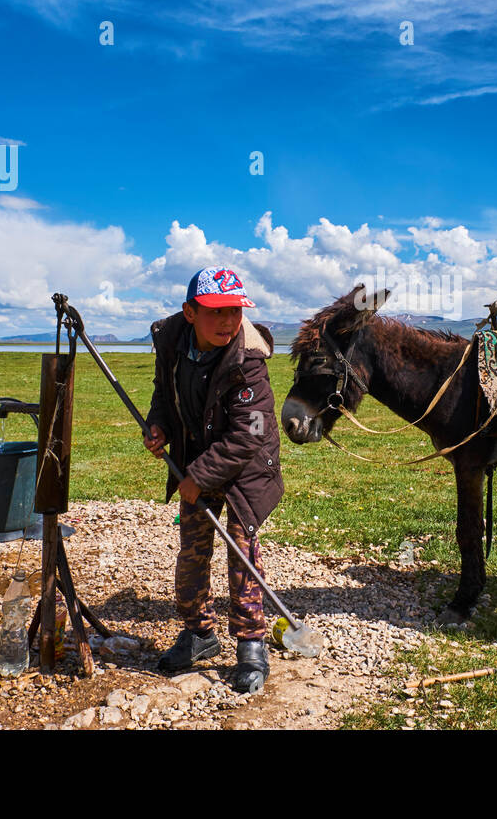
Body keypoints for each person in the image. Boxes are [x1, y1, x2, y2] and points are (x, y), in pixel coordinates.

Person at [143, 266, 283, 692]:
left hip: (247, 468)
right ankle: (200, 635)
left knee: (242, 556)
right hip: (198, 459)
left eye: (235, 311)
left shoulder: (249, 360)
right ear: (190, 312)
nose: (228, 321)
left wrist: (198, 477)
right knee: (192, 554)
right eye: (216, 311)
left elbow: (249, 434)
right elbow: (163, 392)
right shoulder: (170, 342)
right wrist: (158, 425)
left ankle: (251, 649)